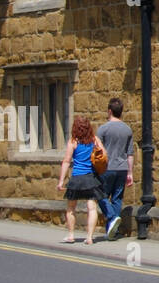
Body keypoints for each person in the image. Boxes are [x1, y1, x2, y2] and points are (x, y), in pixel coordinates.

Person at [58, 115, 107, 245]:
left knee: (71, 208)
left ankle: (71, 235)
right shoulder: (94, 140)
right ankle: (90, 237)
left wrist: (61, 181)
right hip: (91, 177)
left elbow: (67, 161)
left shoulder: (73, 142)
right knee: (92, 208)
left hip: (76, 178)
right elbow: (104, 154)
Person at [97, 97, 135, 240]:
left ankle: (112, 218)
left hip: (107, 168)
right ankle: (112, 232)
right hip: (122, 168)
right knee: (117, 198)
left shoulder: (103, 129)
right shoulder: (127, 129)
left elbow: (96, 151)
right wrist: (130, 172)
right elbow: (130, 153)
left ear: (109, 111)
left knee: (101, 195)